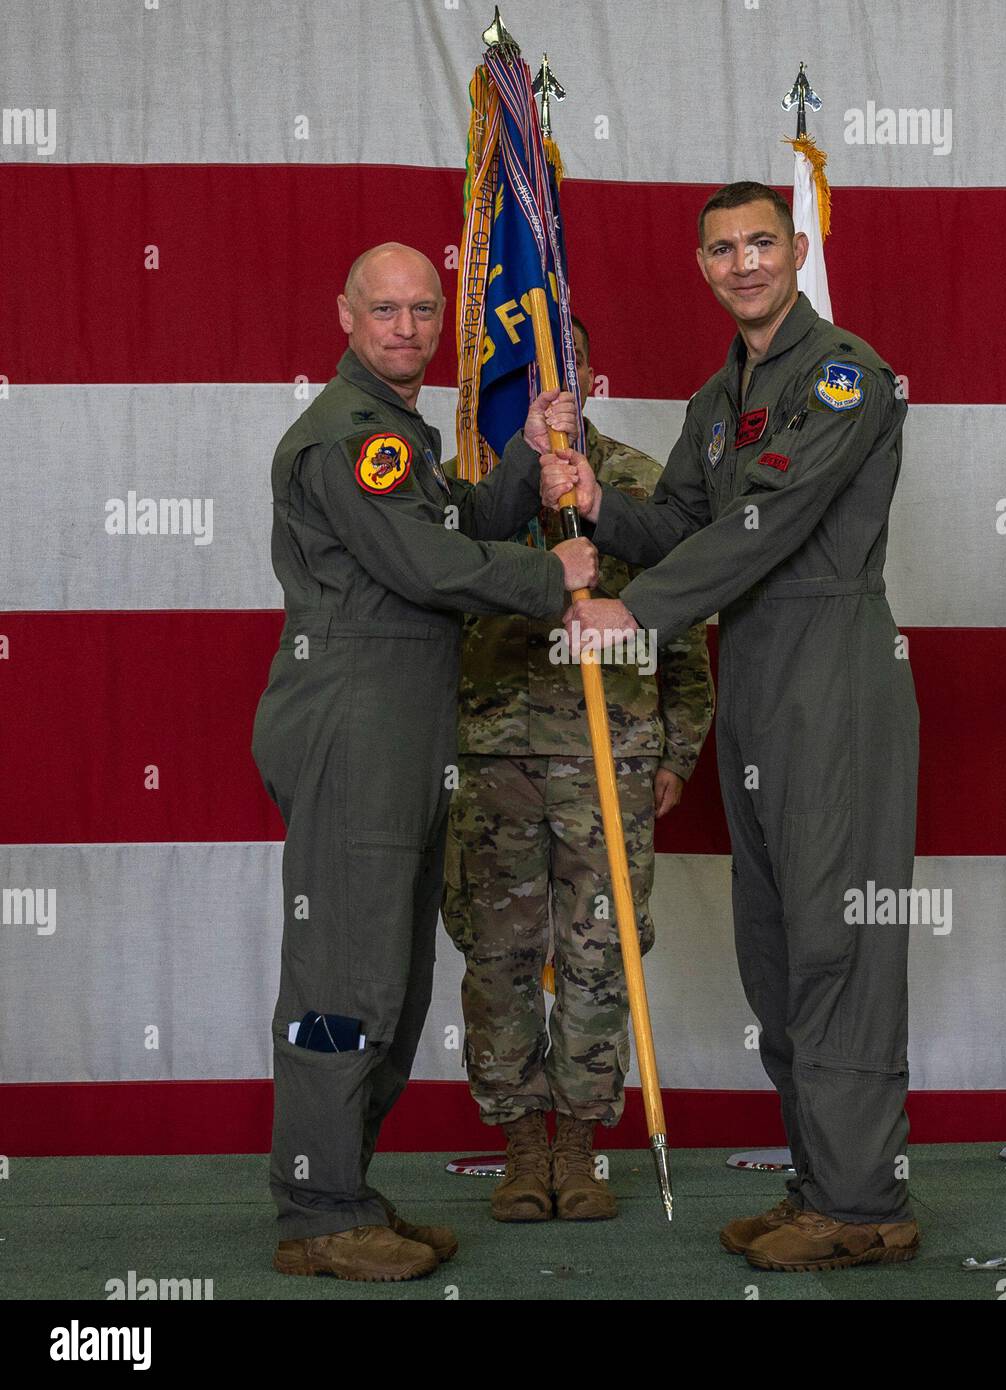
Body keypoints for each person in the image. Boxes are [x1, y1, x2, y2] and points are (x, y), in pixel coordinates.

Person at [540, 183, 920, 1272]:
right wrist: (600, 505)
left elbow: (769, 519)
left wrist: (637, 615)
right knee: (776, 946)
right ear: (702, 265)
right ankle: (822, 1182)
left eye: (760, 243)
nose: (742, 263)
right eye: (721, 249)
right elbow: (682, 522)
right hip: (753, 671)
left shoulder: (842, 373)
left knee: (834, 942)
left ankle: (862, 1201)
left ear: (795, 251)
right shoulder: (719, 396)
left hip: (831, 673)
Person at [251, 242, 597, 1281]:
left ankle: (344, 1193)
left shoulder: (394, 431)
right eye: (384, 309)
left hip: (393, 730)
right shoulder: (350, 435)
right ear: (344, 315)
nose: (405, 328)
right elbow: (426, 564)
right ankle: (318, 1209)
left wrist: (524, 457)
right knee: (341, 979)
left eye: (422, 310)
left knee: (387, 979)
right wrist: (550, 574)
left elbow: (448, 524)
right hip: (353, 728)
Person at [442, 315, 715, 1222]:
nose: (546, 387)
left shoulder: (637, 482)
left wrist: (678, 747)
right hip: (490, 756)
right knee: (499, 954)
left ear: (591, 377)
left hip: (611, 754)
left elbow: (682, 622)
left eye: (562, 367)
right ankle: (522, 1142)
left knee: (601, 954)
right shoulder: (464, 489)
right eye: (525, 373)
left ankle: (578, 1143)